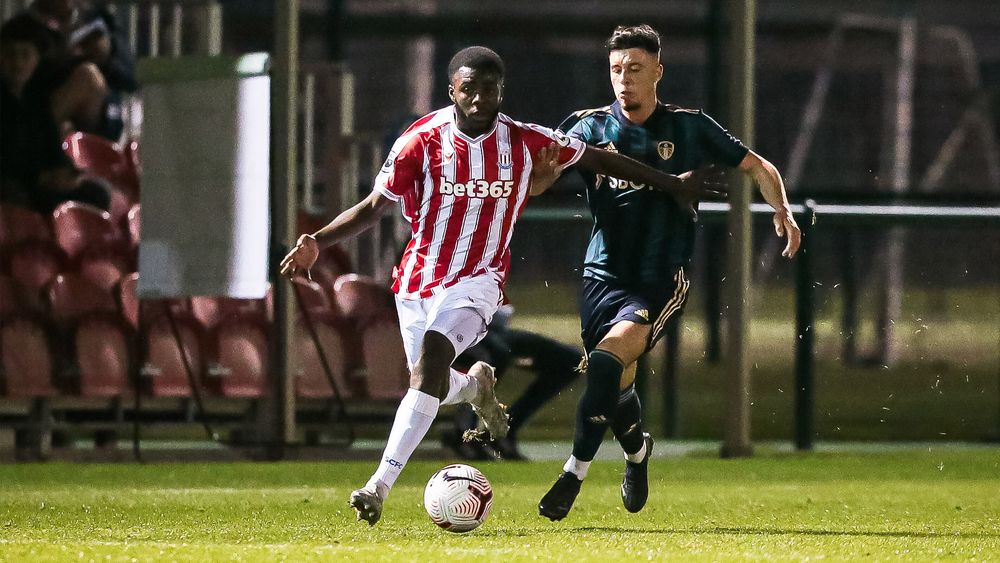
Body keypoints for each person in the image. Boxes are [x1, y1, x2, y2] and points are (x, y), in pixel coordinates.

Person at [279, 45, 725, 527]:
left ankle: (378, 485)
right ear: (451, 90)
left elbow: (600, 160)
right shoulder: (421, 141)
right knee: (425, 382)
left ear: (500, 92)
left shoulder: (524, 139)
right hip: (417, 280)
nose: (477, 98)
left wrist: (671, 184)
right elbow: (373, 205)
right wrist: (317, 241)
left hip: (478, 281)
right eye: (467, 88)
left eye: (487, 89)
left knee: (431, 359)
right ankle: (474, 387)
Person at [536, 24, 802, 521]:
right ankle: (637, 453)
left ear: (658, 71)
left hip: (658, 279)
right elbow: (538, 184)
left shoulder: (689, 127)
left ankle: (572, 473)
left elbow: (760, 167)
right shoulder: (587, 127)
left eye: (635, 69)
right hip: (600, 276)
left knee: (609, 360)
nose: (624, 79)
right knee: (614, 382)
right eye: (616, 69)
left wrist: (781, 212)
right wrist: (543, 171)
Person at [1, 14, 110, 213]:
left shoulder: (36, 98)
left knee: (98, 192)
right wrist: (40, 178)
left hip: (41, 181)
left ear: (36, 59)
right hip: (16, 185)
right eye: (10, 55)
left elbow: (51, 145)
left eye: (25, 55)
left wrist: (68, 174)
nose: (17, 63)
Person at [448, 303, 583, 461]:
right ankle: (463, 433)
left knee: (570, 361)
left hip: (493, 330)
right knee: (496, 354)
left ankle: (505, 430)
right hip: (458, 330)